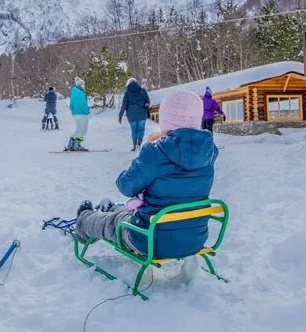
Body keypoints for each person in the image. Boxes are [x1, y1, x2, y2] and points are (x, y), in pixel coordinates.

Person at [75, 89, 218, 258]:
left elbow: (126, 186)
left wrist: (146, 153)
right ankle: (111, 208)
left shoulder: (156, 153)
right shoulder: (209, 153)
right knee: (134, 212)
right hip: (194, 239)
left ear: (166, 121)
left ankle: (84, 219)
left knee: (112, 223)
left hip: (150, 241)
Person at [118, 78, 150, 151]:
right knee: (141, 129)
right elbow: (147, 101)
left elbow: (124, 105)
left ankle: (135, 146)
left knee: (134, 130)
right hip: (142, 114)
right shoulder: (142, 91)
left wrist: (120, 115)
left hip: (131, 115)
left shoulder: (127, 93)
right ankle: (139, 144)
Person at [67, 77, 90, 151]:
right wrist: (87, 113)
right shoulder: (81, 92)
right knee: (83, 131)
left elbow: (71, 105)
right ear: (81, 85)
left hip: (76, 114)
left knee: (78, 129)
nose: (84, 86)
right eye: (83, 85)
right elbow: (83, 104)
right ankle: (77, 144)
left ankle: (71, 144)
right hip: (82, 114)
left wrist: (74, 113)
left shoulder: (73, 92)